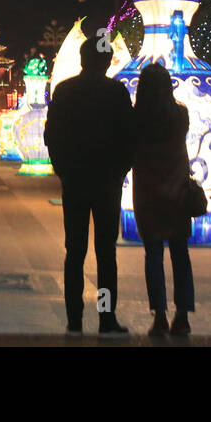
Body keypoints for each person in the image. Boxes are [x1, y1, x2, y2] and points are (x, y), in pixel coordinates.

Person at [45, 19, 135, 337]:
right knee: (106, 254)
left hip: (76, 182)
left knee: (75, 252)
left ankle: (74, 319)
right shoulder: (117, 92)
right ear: (107, 60)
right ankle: (106, 318)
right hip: (107, 183)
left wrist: (64, 171)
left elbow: (51, 136)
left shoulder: (65, 91)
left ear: (83, 60)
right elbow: (129, 137)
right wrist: (119, 171)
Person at [132, 62, 195, 337]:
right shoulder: (181, 114)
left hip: (148, 193)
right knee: (180, 254)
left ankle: (159, 316)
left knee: (153, 255)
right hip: (177, 193)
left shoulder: (136, 120)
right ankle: (182, 316)